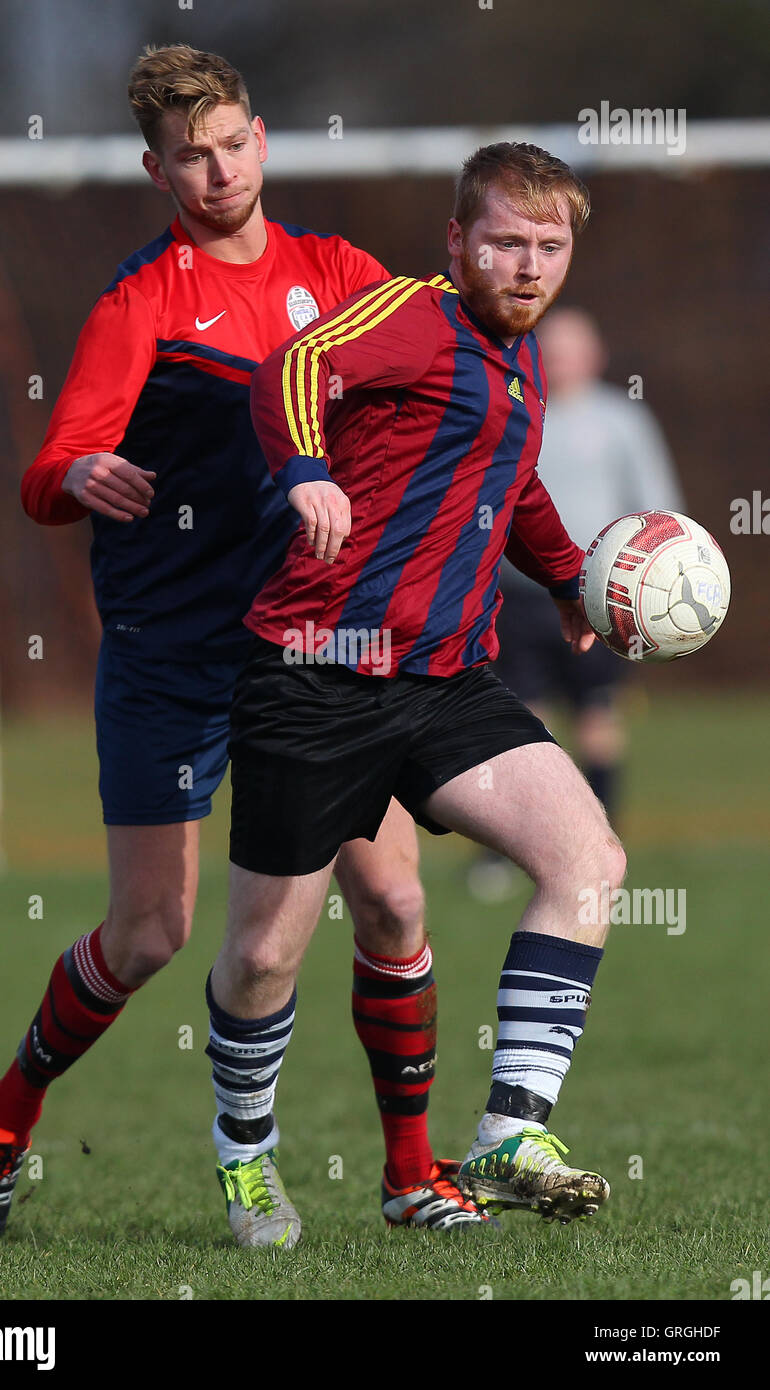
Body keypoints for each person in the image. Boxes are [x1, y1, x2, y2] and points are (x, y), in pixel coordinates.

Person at [0, 44, 486, 1251]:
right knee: (148, 934)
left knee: (394, 895)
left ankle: (406, 1173)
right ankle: (2, 1113)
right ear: (156, 169)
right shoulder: (139, 301)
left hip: (308, 643)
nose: (218, 168)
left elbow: (439, 373)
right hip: (171, 649)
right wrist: (77, 469)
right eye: (189, 153)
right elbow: (49, 463)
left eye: (233, 140)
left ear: (262, 137)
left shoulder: (336, 274)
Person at [205, 141, 628, 1243]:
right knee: (260, 956)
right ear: (457, 240)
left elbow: (509, 476)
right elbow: (290, 370)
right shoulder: (412, 315)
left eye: (548, 245)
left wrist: (569, 576)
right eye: (504, 241)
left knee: (586, 857)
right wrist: (303, 468)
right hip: (315, 673)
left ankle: (506, 1132)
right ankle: (245, 1154)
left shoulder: (517, 356)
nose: (527, 265)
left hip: (443, 679)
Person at [467, 307, 683, 901]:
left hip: (600, 597)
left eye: (570, 348)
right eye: (550, 347)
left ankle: (603, 844)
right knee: (517, 723)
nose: (559, 358)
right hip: (514, 594)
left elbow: (659, 507)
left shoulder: (623, 420)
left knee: (597, 718)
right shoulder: (515, 409)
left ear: (596, 355)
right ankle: (500, 853)